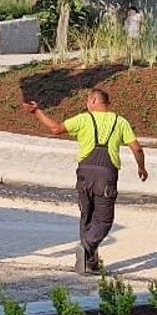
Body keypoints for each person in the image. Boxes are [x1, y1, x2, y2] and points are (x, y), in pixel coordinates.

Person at [24, 89, 148, 274]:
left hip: (84, 173)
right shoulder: (120, 122)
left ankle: (88, 262)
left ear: (94, 101)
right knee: (105, 220)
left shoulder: (83, 119)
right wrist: (141, 167)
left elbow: (55, 129)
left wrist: (37, 112)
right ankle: (87, 249)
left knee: (87, 216)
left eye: (88, 101)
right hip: (107, 175)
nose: (86, 104)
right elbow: (137, 149)